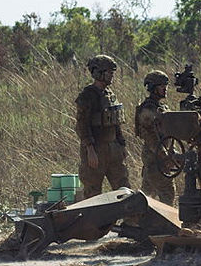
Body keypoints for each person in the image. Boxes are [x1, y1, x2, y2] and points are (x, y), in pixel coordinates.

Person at [74, 54, 131, 198]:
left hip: (113, 148)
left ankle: (129, 220)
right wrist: (90, 150)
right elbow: (82, 125)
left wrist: (121, 145)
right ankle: (96, 221)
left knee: (124, 188)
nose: (112, 76)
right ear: (99, 73)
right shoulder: (87, 96)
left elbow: (115, 122)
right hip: (96, 149)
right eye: (109, 72)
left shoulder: (109, 94)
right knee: (93, 191)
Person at [133, 70, 176, 204]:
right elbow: (150, 136)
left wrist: (172, 152)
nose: (165, 89)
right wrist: (164, 155)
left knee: (146, 195)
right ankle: (166, 223)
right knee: (167, 194)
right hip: (155, 160)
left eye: (166, 85)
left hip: (158, 159)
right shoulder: (148, 109)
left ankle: (135, 222)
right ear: (152, 88)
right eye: (161, 86)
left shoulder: (161, 107)